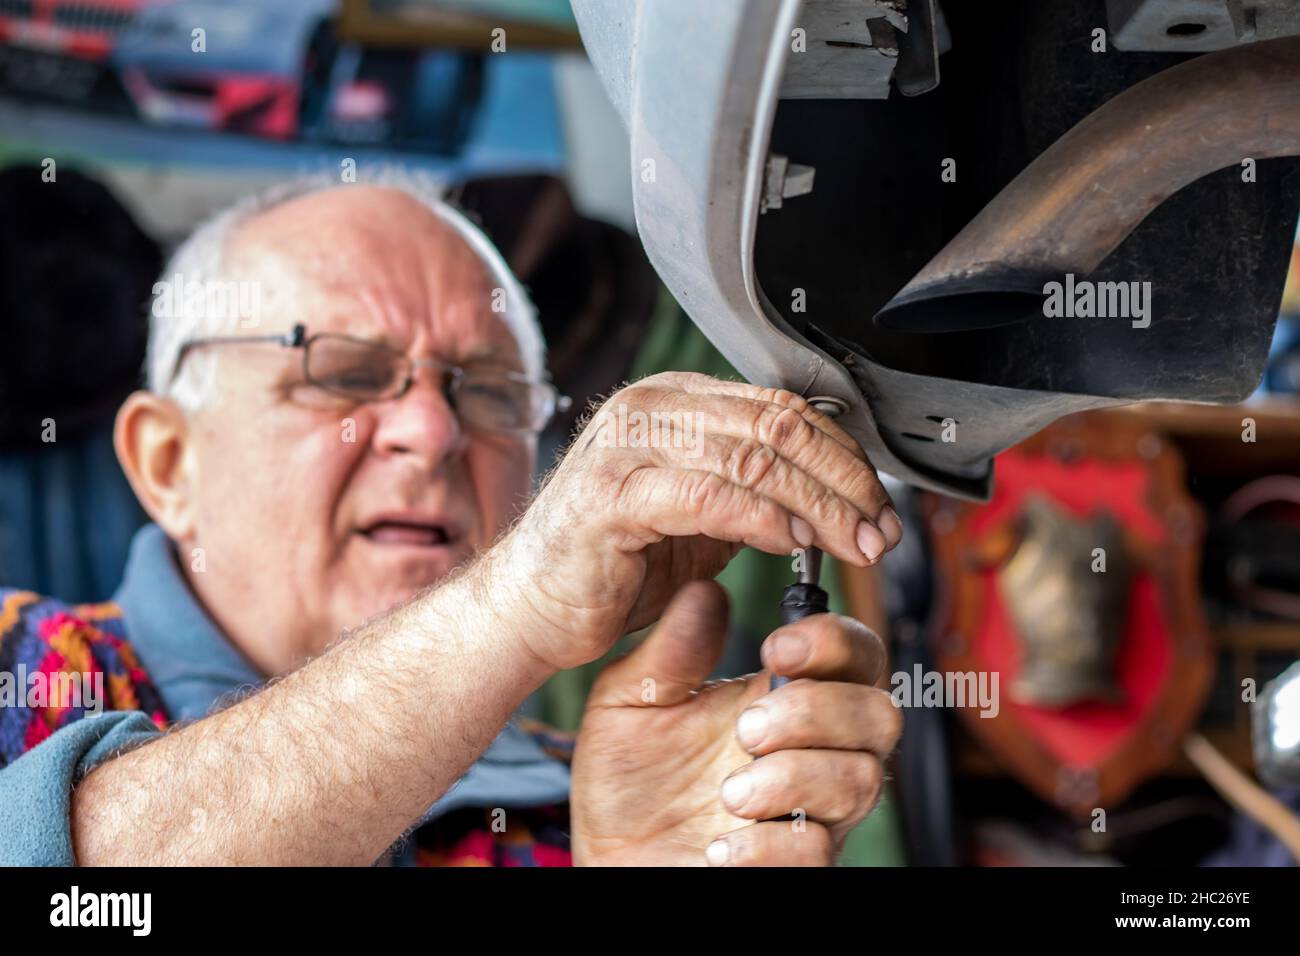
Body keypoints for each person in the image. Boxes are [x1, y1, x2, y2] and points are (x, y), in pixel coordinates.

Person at [0, 171, 904, 866]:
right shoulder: (21, 662)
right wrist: (501, 609)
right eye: (346, 375)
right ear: (169, 462)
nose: (433, 431)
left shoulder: (594, 785)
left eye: (486, 392)